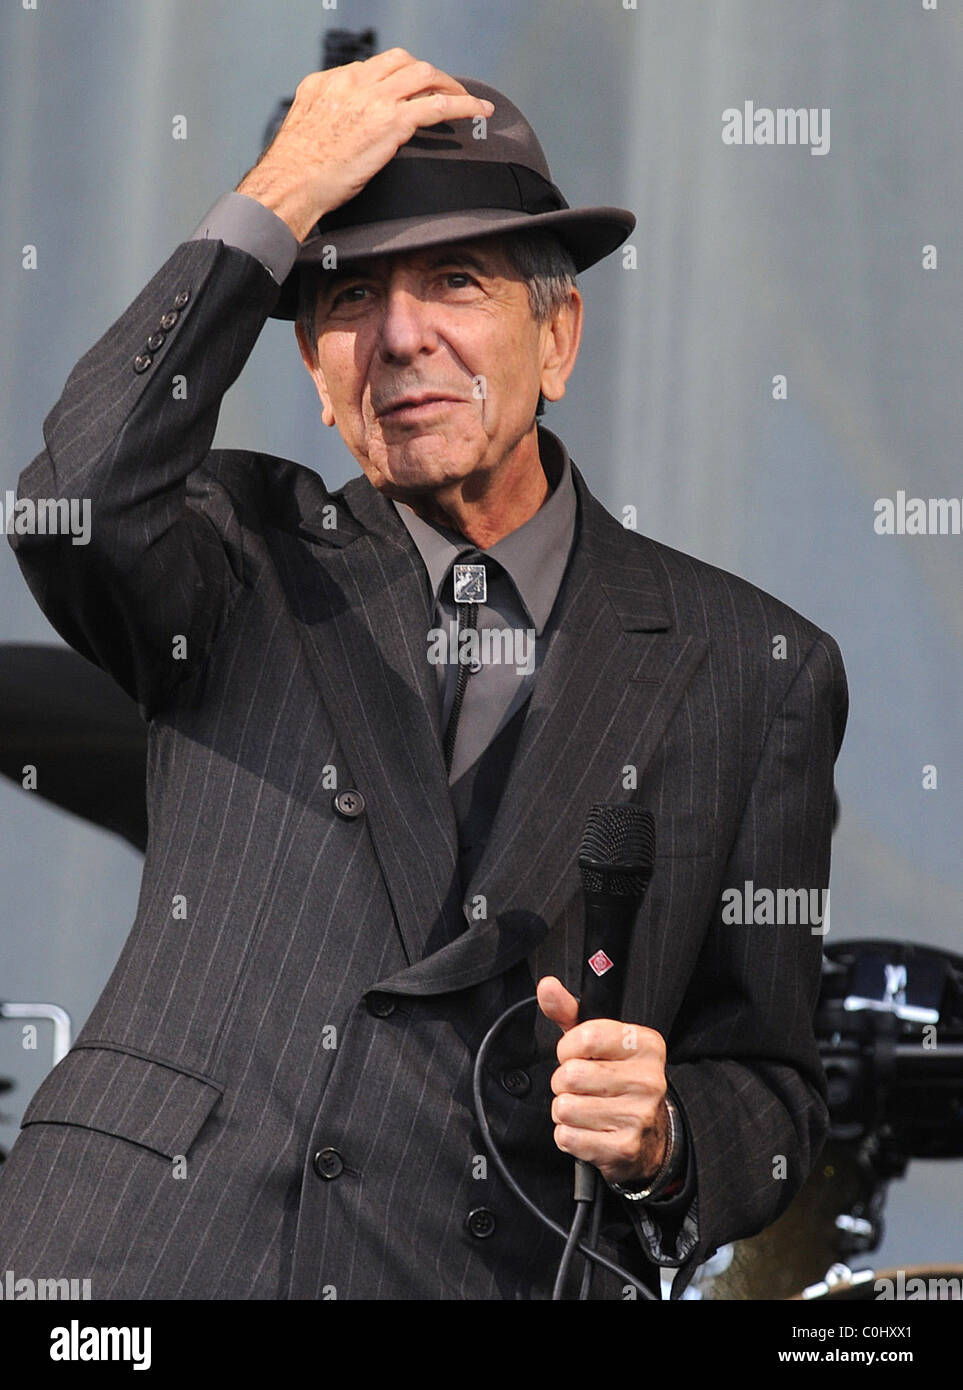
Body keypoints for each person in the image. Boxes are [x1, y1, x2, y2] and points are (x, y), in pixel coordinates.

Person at [0, 49, 847, 1300]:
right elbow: (74, 498)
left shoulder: (753, 665)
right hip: (139, 1269)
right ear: (311, 371)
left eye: (455, 279)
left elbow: (770, 1087)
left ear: (557, 335)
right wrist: (275, 197)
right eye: (344, 296)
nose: (400, 337)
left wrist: (665, 1137)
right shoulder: (231, 557)